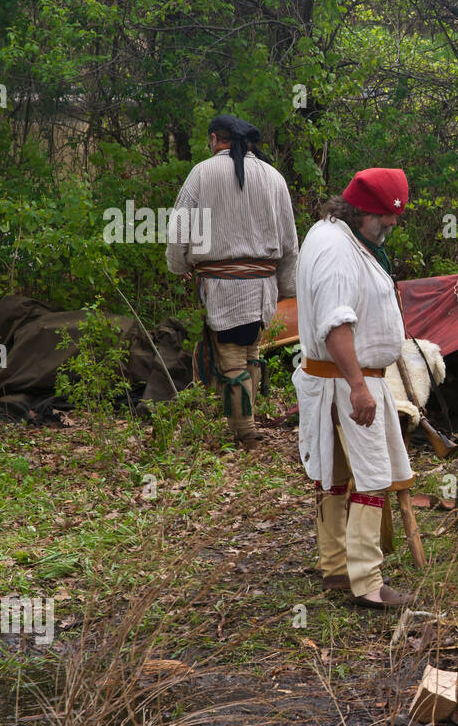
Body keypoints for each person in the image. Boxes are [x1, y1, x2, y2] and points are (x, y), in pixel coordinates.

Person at [293, 168, 415, 607]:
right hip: (347, 383)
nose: (392, 224)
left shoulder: (336, 236)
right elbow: (336, 325)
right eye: (385, 215)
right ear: (361, 210)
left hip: (342, 380)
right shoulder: (337, 251)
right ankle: (368, 583)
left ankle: (336, 568)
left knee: (338, 478)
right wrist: (359, 387)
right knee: (371, 480)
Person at [166, 114, 298, 450]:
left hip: (223, 286)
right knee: (249, 352)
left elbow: (179, 226)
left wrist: (178, 264)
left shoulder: (202, 172)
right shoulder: (274, 177)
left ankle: (246, 431)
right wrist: (287, 288)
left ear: (214, 139)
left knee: (233, 358)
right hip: (262, 287)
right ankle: (245, 427)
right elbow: (289, 242)